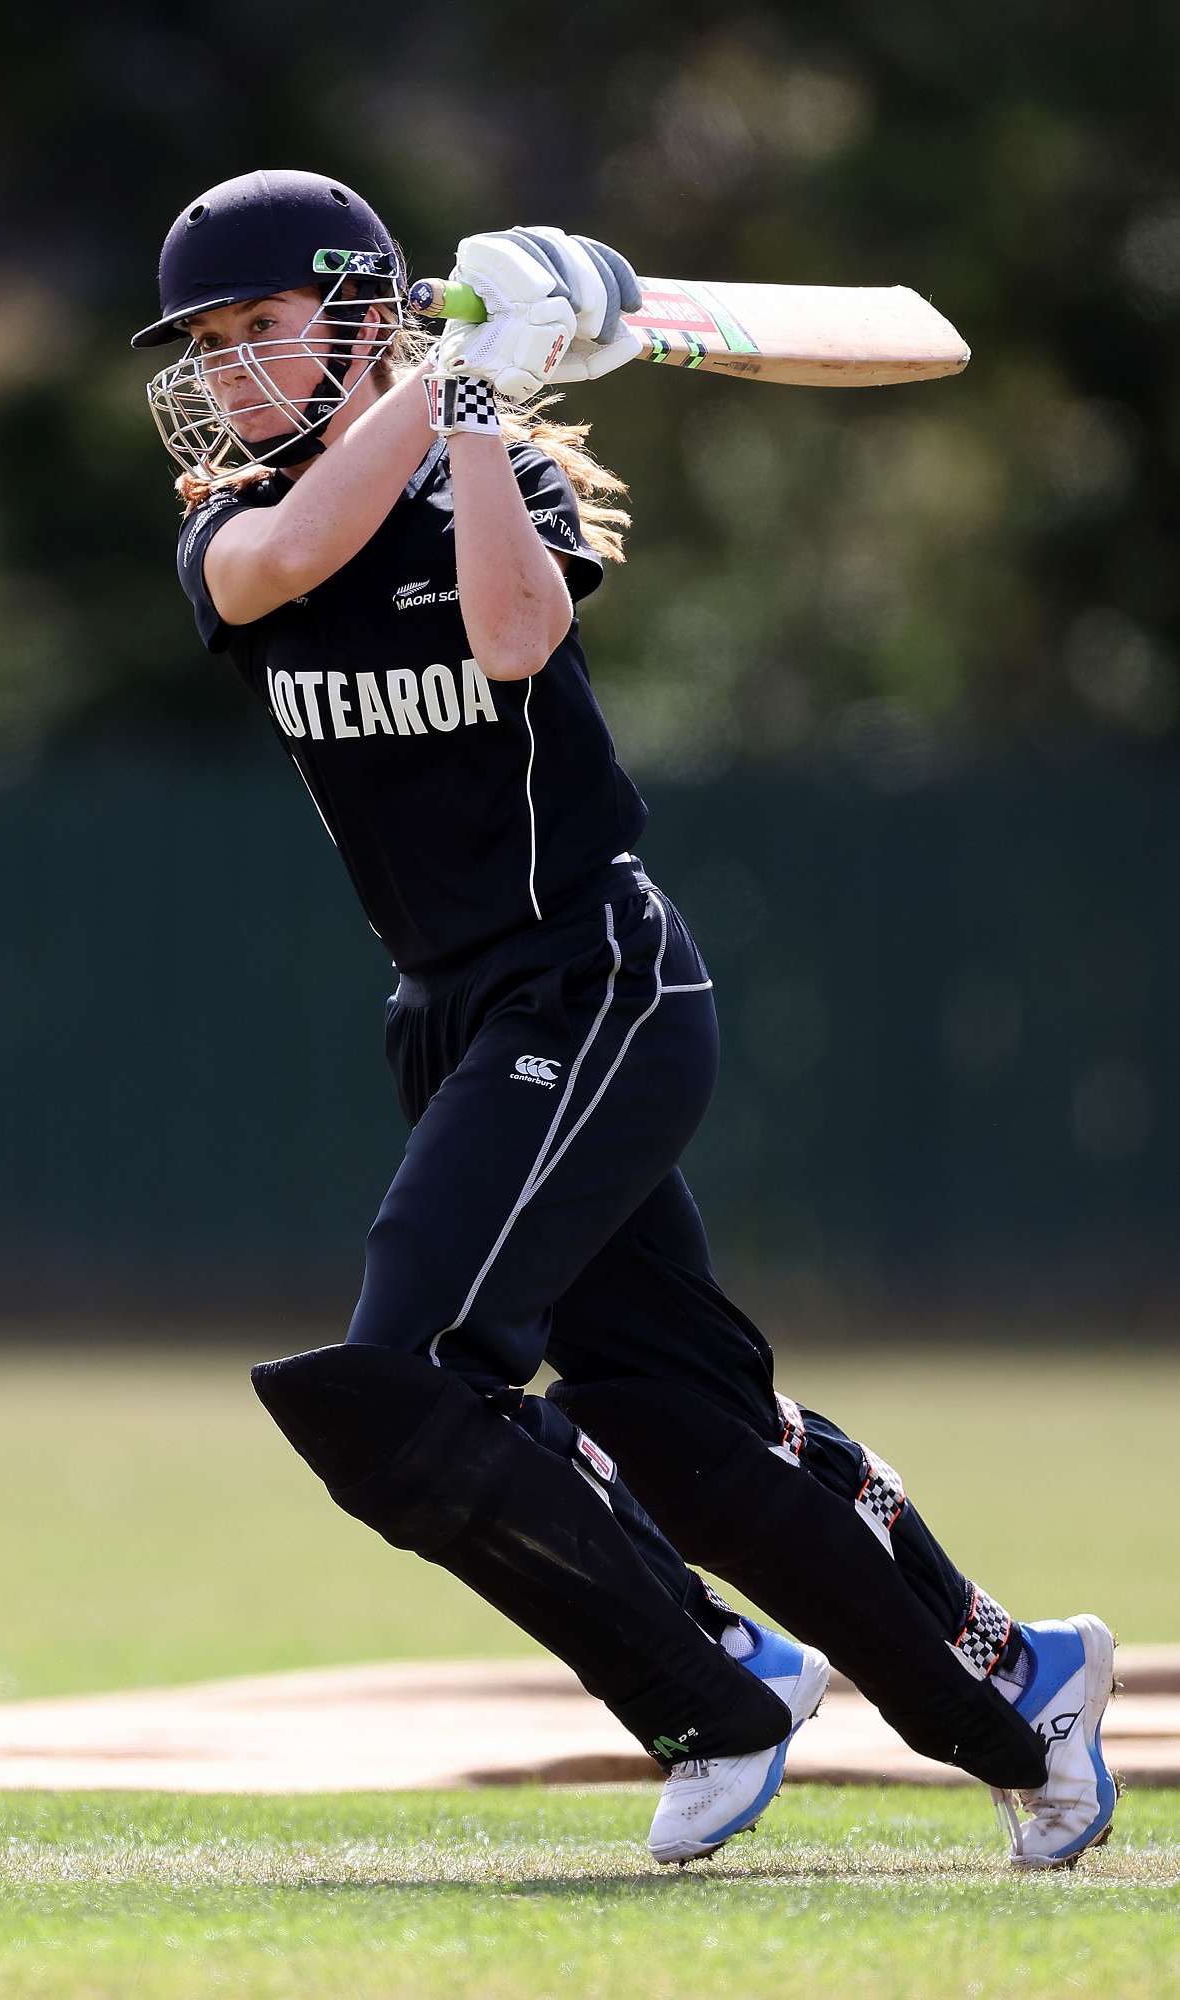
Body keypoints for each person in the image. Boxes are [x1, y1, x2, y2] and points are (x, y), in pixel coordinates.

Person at [134, 168, 1118, 1869]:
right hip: (447, 1012)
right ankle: (1014, 1684)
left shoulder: (489, 467)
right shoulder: (226, 527)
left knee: (402, 1381)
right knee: (683, 1425)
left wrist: (467, 408)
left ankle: (718, 1689)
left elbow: (514, 641)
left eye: (260, 328)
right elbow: (288, 559)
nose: (226, 370)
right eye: (205, 344)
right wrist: (454, 372)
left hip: (590, 978)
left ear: (358, 315)